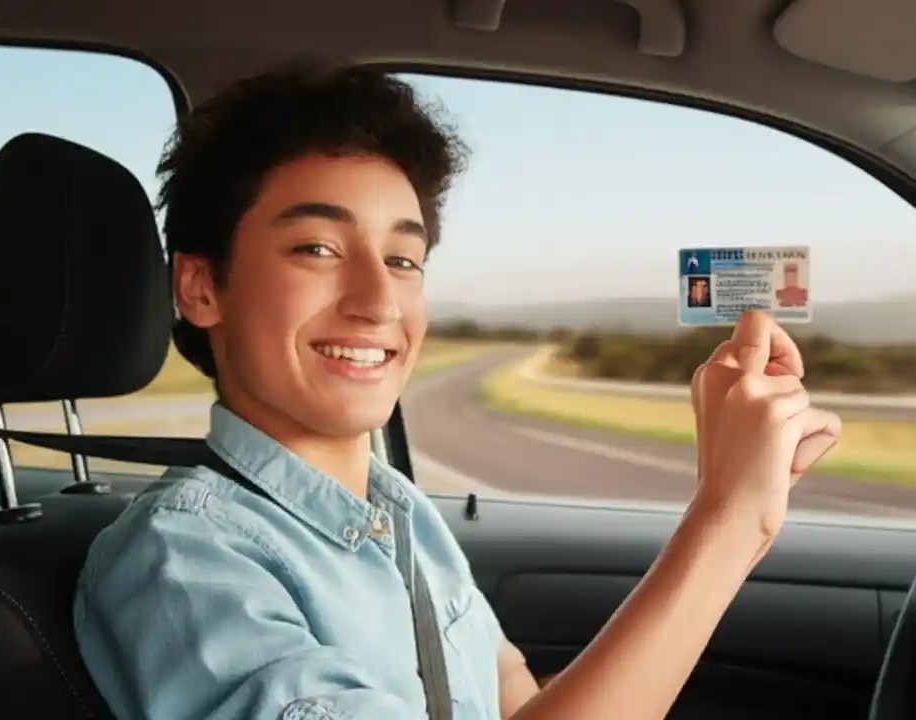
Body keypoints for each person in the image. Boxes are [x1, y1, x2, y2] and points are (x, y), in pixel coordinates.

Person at [73, 62, 841, 720]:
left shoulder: (397, 512)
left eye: (404, 260)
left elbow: (517, 703)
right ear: (202, 288)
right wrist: (729, 519)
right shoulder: (181, 565)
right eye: (316, 248)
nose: (378, 301)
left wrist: (744, 509)